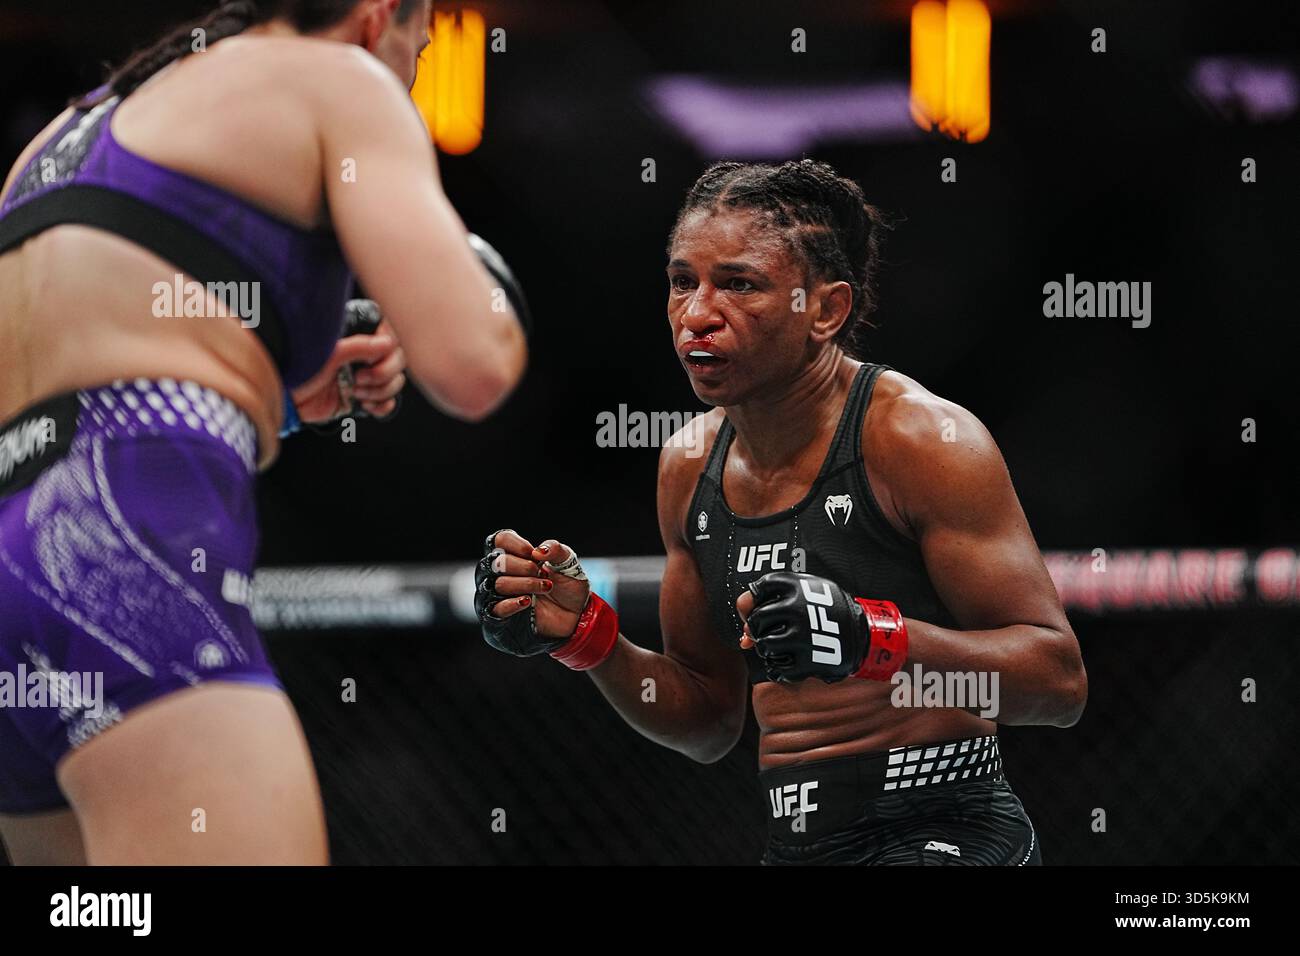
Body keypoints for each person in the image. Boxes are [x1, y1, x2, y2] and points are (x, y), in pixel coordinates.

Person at [0, 0, 529, 864]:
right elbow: (470, 364)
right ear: (375, 17)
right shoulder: (339, 79)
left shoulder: (63, 135)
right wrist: (489, 292)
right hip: (129, 554)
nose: (411, 74)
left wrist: (275, 401)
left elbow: (68, 389)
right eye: (419, 48)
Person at [476, 159, 1086, 865]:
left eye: (739, 283)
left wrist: (871, 640)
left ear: (825, 310)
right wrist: (591, 640)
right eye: (683, 283)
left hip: (946, 830)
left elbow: (1058, 683)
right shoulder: (686, 467)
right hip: (801, 848)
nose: (697, 315)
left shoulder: (918, 440)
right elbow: (706, 719)